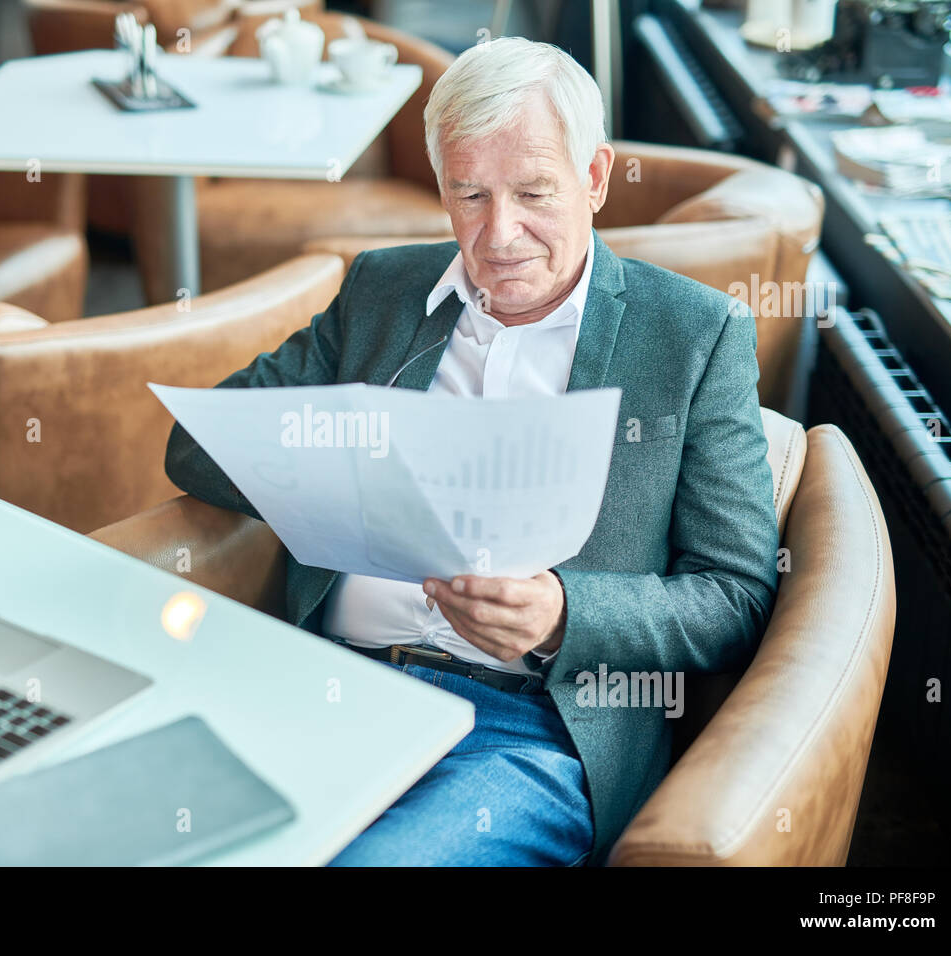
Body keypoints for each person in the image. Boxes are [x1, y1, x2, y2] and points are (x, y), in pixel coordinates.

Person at [165, 36, 779, 866]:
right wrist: (335, 461)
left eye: (533, 192)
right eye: (470, 195)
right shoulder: (383, 290)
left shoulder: (693, 334)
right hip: (328, 683)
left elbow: (737, 596)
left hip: (524, 729)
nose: (499, 233)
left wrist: (565, 614)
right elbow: (197, 447)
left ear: (594, 179)